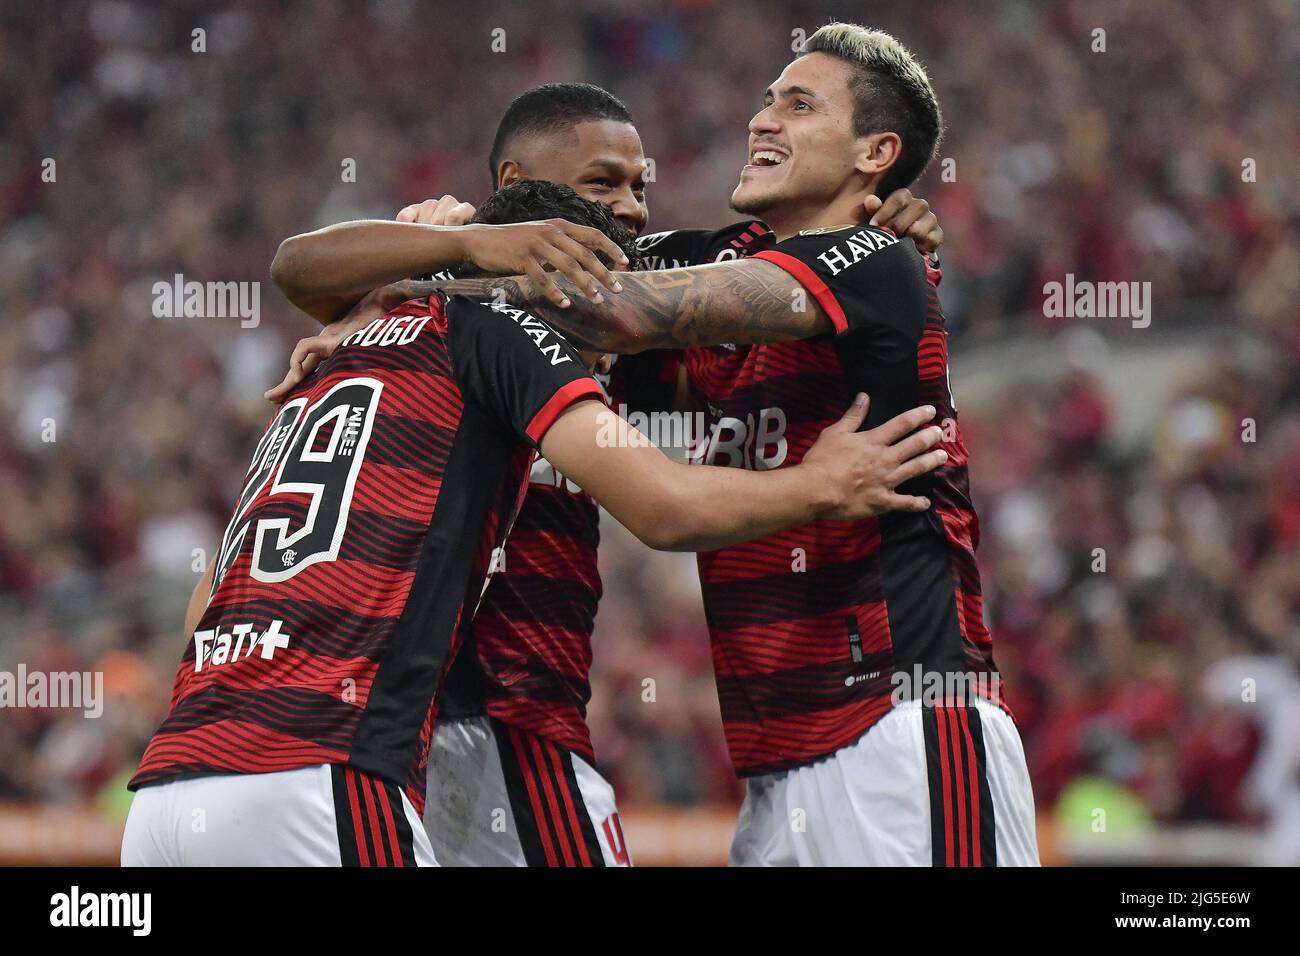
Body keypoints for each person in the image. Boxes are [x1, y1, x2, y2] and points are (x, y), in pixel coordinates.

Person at [120, 180, 947, 866]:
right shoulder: (507, 326)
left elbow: (202, 615)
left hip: (167, 792)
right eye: (598, 336)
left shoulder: (334, 356)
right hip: (321, 776)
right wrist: (823, 484)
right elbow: (662, 504)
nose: (607, 361)